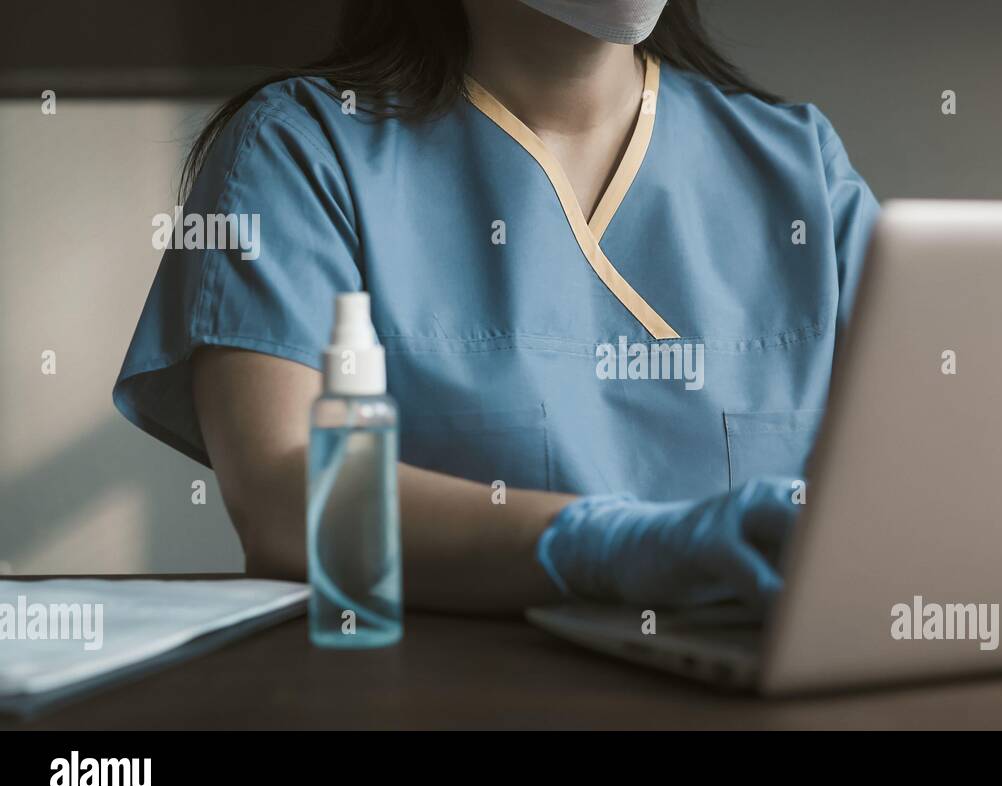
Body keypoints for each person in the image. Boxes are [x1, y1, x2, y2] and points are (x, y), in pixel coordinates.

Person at [113, 0, 878, 614]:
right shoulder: (301, 150)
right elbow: (286, 498)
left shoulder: (800, 168)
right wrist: (602, 546)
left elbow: (944, 472)